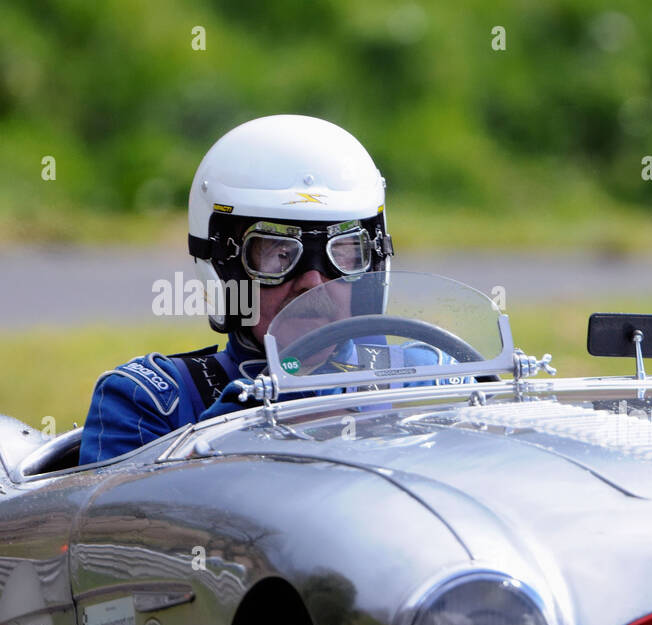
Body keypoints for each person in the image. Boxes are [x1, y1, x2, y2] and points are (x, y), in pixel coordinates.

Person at [79, 114, 455, 465]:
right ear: (225, 267)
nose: (312, 280)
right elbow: (127, 527)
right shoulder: (153, 400)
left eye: (341, 253)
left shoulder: (425, 380)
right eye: (279, 254)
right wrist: (243, 421)